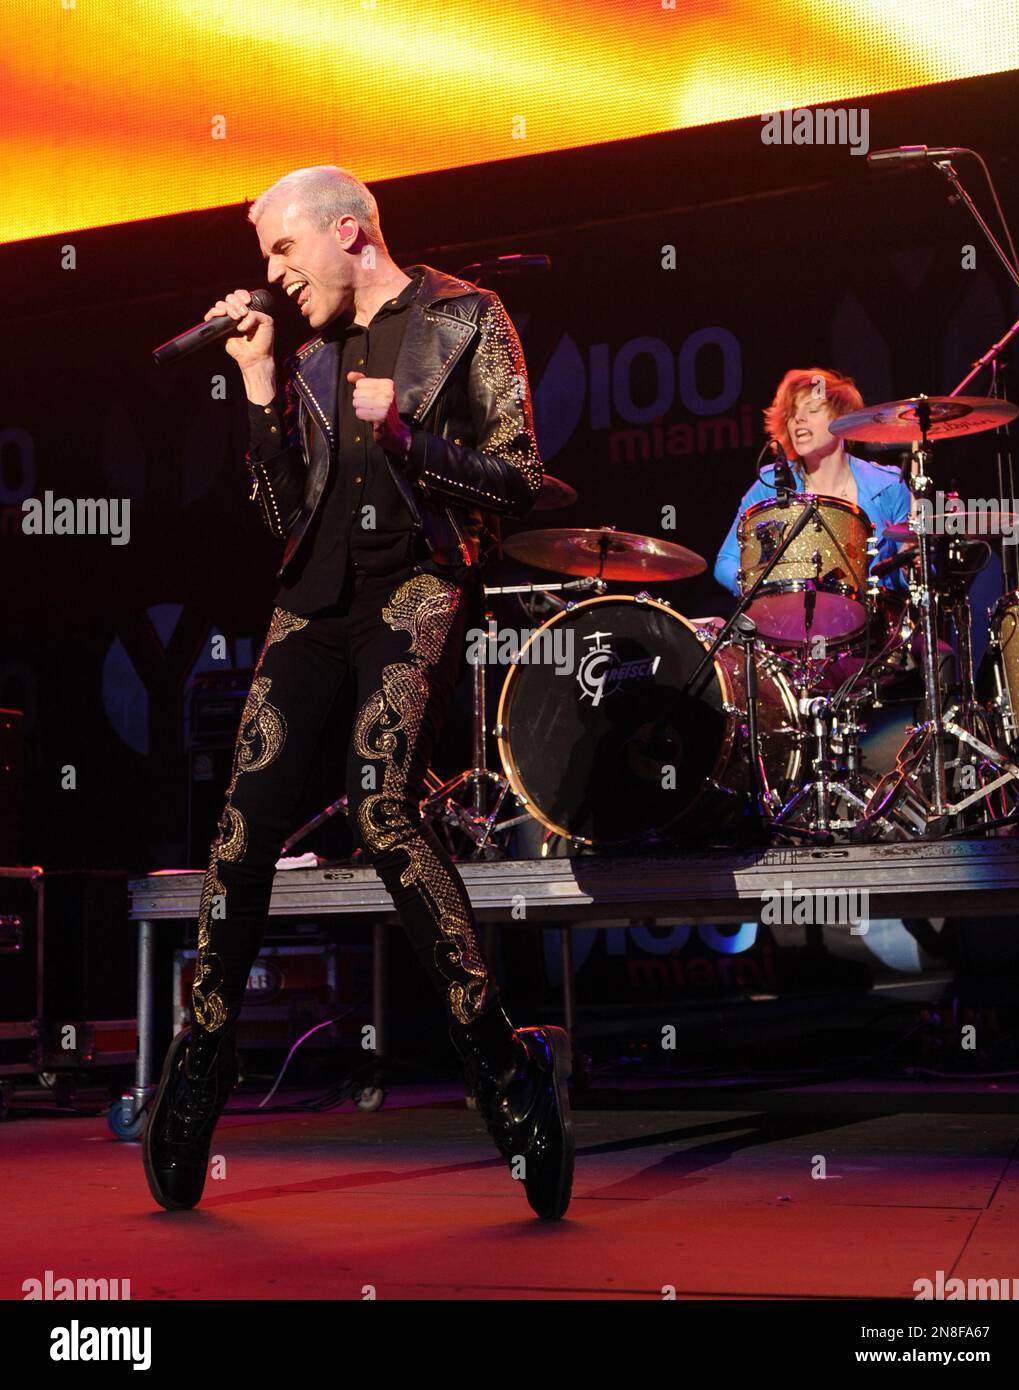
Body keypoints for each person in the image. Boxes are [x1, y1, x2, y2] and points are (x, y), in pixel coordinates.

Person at [143, 165, 574, 1220]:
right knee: (241, 834)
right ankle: (202, 1061)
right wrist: (255, 380)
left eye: (284, 254)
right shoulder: (305, 352)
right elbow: (283, 509)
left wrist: (407, 439)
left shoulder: (466, 317)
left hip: (414, 588)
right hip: (312, 604)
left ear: (348, 232)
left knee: (383, 808)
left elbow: (525, 478)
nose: (275, 277)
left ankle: (501, 1065)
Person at [714, 367, 911, 597]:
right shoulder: (770, 485)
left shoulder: (888, 486)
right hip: (790, 625)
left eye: (813, 409)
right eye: (792, 413)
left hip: (874, 627)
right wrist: (765, 590)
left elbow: (911, 581)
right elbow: (726, 562)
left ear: (842, 418)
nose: (798, 418)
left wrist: (911, 568)